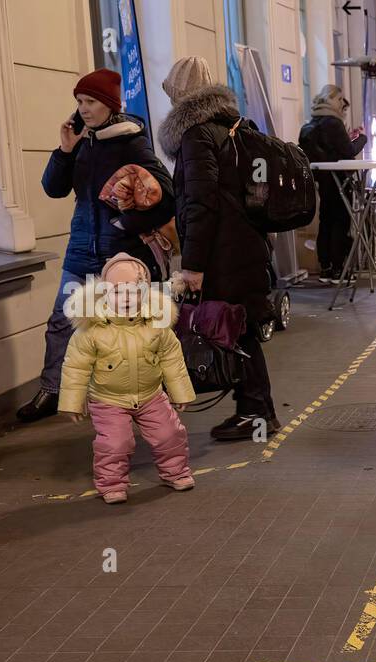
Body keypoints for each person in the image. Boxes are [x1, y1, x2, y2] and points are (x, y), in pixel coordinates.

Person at [18, 69, 175, 424]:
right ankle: (52, 389)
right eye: (79, 101)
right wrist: (65, 150)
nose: (83, 109)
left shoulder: (131, 142)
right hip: (80, 251)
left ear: (109, 105)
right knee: (62, 321)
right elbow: (53, 188)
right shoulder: (82, 142)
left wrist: (124, 225)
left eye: (90, 101)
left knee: (135, 327)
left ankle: (151, 395)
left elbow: (166, 198)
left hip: (121, 257)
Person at [158, 55, 280, 442]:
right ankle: (256, 412)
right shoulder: (234, 128)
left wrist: (192, 265)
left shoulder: (197, 136)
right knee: (241, 328)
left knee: (237, 331)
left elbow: (200, 205)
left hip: (224, 253)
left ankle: (257, 413)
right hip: (246, 247)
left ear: (180, 93)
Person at [57, 253, 195, 504]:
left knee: (170, 434)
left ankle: (176, 472)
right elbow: (76, 367)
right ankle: (111, 484)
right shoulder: (91, 330)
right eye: (118, 292)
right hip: (108, 399)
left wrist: (180, 392)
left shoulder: (157, 324)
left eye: (134, 291)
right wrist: (72, 402)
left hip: (151, 395)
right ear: (104, 293)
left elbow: (171, 359)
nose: (127, 298)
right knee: (115, 443)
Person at [299, 84, 367, 284]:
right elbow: (348, 152)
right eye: (339, 99)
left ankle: (326, 268)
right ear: (331, 100)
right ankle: (339, 269)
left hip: (323, 180)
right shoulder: (334, 123)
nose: (341, 104)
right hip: (340, 180)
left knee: (326, 221)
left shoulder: (312, 123)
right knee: (340, 222)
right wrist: (362, 139)